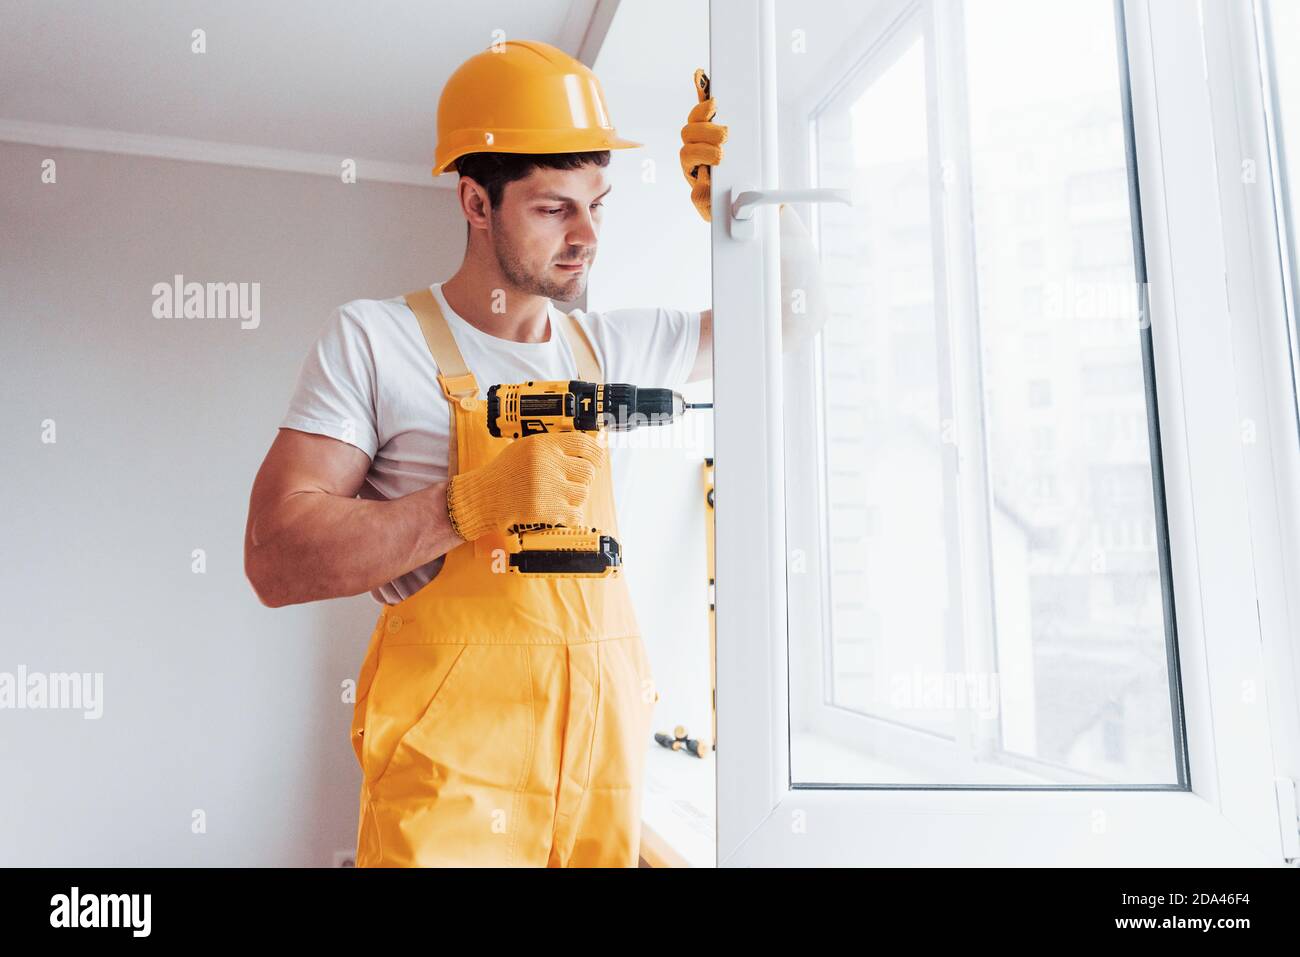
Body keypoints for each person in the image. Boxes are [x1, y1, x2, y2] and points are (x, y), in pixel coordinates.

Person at [243, 39, 822, 867]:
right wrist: (471, 502)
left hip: (600, 769)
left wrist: (750, 208)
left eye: (598, 205)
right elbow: (274, 558)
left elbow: (792, 322)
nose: (587, 235)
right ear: (476, 202)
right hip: (452, 787)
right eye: (555, 208)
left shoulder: (610, 347)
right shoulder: (376, 340)